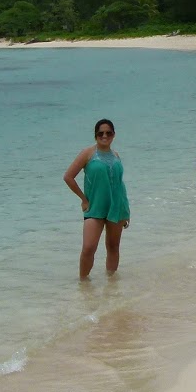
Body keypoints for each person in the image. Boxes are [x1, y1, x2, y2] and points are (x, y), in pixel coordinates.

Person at [63, 119, 130, 279]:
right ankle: (83, 284)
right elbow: (68, 177)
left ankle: (111, 284)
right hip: (95, 207)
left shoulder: (116, 155)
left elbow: (120, 185)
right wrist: (83, 199)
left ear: (113, 135)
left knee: (113, 247)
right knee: (88, 248)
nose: (104, 136)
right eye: (101, 133)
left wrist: (126, 210)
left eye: (108, 133)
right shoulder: (88, 154)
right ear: (95, 135)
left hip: (116, 207)